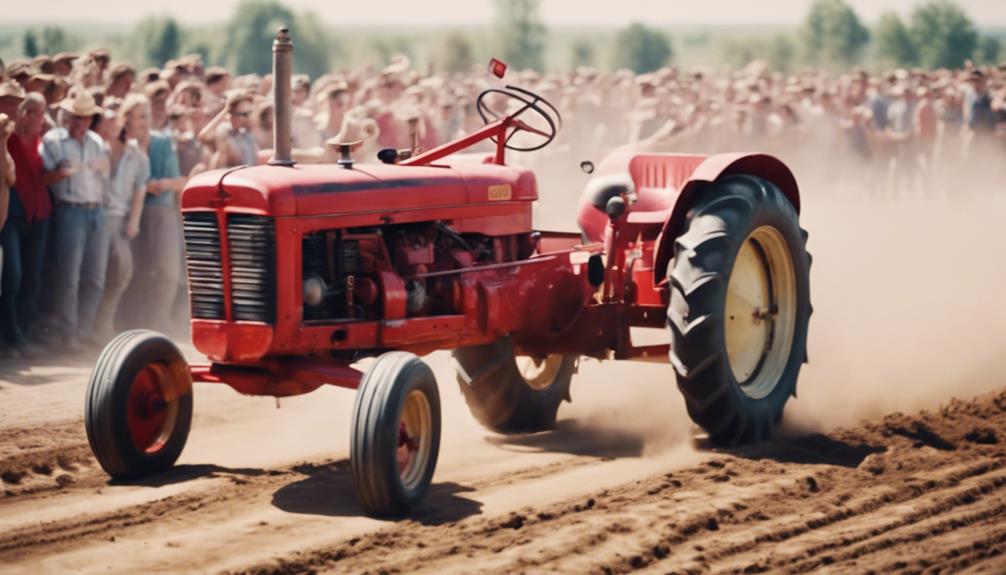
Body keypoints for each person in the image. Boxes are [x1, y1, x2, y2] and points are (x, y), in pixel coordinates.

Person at [39, 89, 110, 351]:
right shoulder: (53, 141)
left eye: (85, 117)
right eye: (76, 117)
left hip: (96, 210)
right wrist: (60, 174)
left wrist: (104, 168)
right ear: (67, 117)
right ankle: (68, 333)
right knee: (69, 276)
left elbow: (104, 176)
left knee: (95, 276)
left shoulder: (97, 141)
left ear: (91, 119)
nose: (80, 123)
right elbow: (42, 179)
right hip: (69, 210)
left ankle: (83, 329)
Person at [94, 96, 150, 342]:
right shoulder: (102, 146)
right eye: (141, 116)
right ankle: (90, 326)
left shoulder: (138, 155)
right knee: (95, 272)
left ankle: (104, 323)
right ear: (125, 118)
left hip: (118, 218)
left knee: (122, 270)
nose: (146, 122)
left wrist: (134, 220)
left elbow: (140, 189)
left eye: (147, 116)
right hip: (96, 214)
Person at [2, 92, 52, 354]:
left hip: (38, 214)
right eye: (31, 111)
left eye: (40, 112)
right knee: (13, 274)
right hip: (11, 215)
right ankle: (11, 334)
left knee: (32, 277)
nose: (37, 118)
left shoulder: (42, 143)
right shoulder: (6, 139)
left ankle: (23, 333)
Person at [199, 91, 258, 168]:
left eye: (251, 112)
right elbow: (204, 136)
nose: (249, 117)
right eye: (244, 114)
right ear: (232, 115)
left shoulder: (248, 134)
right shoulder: (224, 130)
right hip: (229, 178)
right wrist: (226, 110)